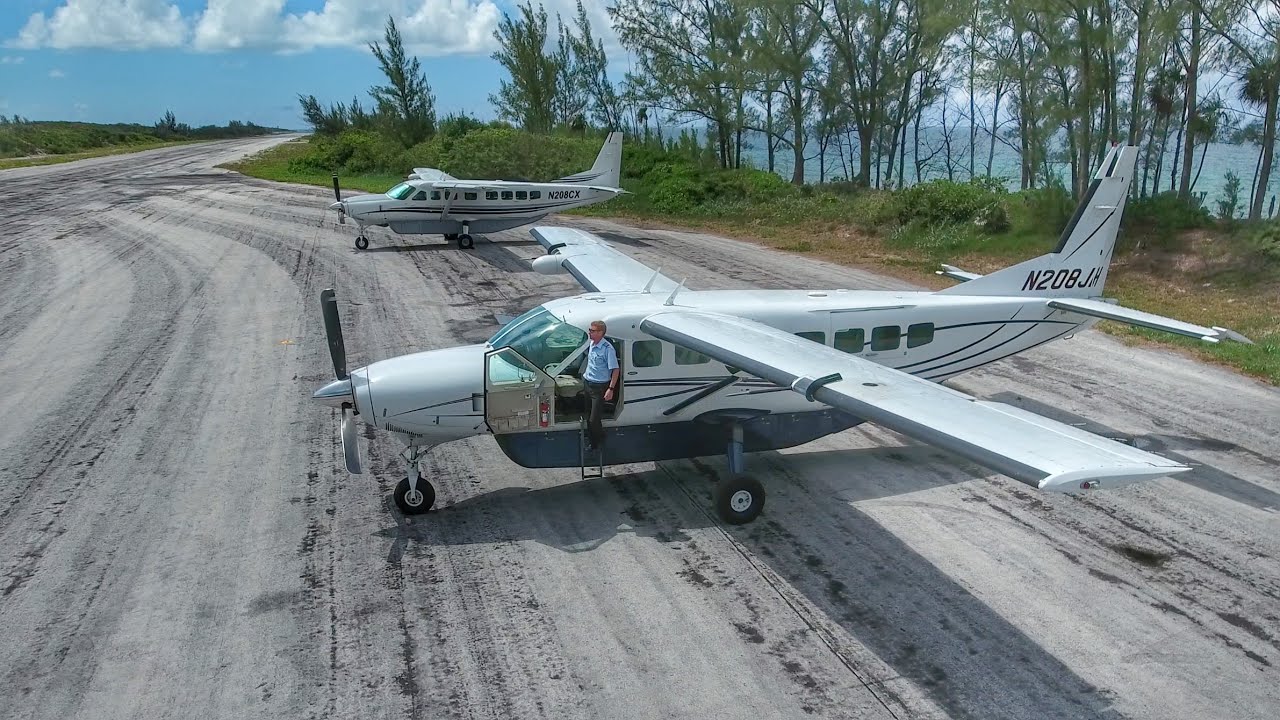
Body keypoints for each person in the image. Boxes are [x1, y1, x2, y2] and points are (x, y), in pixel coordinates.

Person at [582, 320, 619, 451]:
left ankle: (599, 441)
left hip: (599, 388)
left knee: (594, 419)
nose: (589, 333)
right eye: (590, 330)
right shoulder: (592, 343)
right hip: (588, 383)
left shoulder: (608, 349)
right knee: (588, 416)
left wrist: (611, 389)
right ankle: (592, 441)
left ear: (600, 333)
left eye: (592, 331)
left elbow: (615, 369)